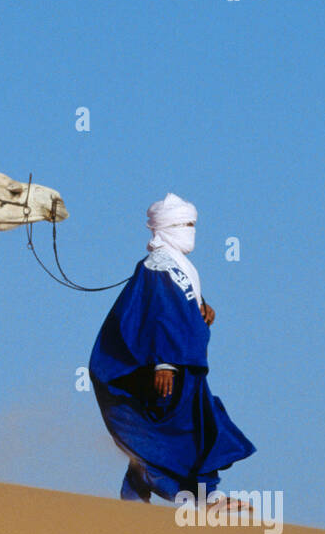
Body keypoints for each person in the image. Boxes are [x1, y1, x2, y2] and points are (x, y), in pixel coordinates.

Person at [88, 192, 256, 509]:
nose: (188, 229)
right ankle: (206, 496)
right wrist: (164, 363)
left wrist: (203, 309)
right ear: (163, 227)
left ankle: (138, 491)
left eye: (191, 223)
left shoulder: (179, 264)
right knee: (176, 430)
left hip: (189, 364)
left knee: (193, 426)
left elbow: (180, 306)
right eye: (181, 223)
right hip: (170, 367)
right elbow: (158, 313)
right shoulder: (158, 264)